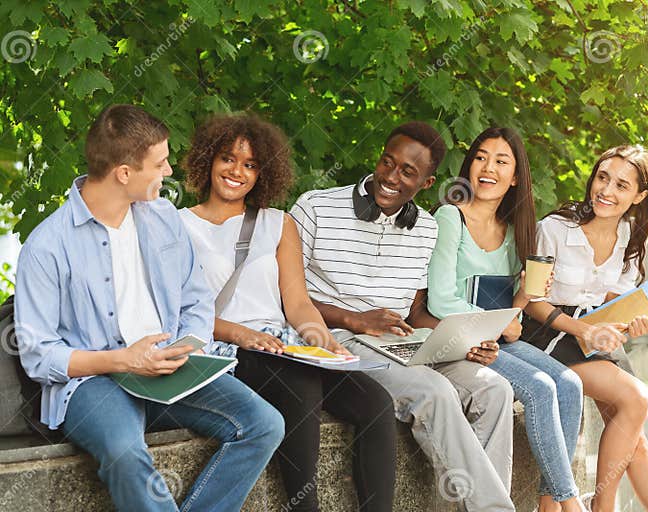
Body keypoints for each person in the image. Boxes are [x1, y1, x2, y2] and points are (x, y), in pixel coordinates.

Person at [15, 105, 284, 512]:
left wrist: (186, 346)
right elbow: (38, 354)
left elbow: (195, 298)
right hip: (94, 382)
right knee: (125, 452)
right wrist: (121, 359)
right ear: (125, 173)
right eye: (160, 163)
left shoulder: (162, 217)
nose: (170, 172)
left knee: (265, 425)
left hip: (169, 367)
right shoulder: (47, 245)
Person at [290, 121, 518, 512]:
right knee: (434, 392)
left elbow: (415, 314)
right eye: (387, 163)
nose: (391, 177)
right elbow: (286, 297)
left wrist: (465, 343)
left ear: (427, 183)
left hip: (400, 340)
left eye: (407, 172)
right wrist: (355, 319)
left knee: (495, 389)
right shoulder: (314, 207)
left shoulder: (426, 228)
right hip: (333, 339)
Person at [180, 112, 396, 512]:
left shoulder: (279, 224)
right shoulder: (177, 227)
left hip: (283, 345)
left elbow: (297, 302)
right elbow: (178, 314)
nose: (237, 171)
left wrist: (321, 338)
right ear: (208, 159)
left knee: (376, 402)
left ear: (263, 173)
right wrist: (242, 334)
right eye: (228, 158)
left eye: (250, 165)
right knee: (301, 385)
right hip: (223, 347)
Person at [426, 127, 586, 512]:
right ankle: (571, 502)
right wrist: (501, 325)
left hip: (498, 338)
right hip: (460, 339)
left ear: (515, 177)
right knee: (540, 388)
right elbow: (440, 299)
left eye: (501, 161)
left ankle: (550, 502)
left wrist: (526, 296)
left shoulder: (515, 231)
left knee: (569, 382)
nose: (488, 167)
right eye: (481, 157)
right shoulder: (450, 217)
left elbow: (514, 313)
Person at [521, 145, 648, 512]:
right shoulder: (554, 229)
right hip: (550, 332)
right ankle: (602, 507)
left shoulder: (630, 236)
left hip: (594, 335)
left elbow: (614, 303)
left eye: (622, 185)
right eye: (603, 178)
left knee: (634, 439)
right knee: (636, 398)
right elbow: (532, 300)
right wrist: (583, 331)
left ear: (639, 196)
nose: (607, 191)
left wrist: (640, 322)